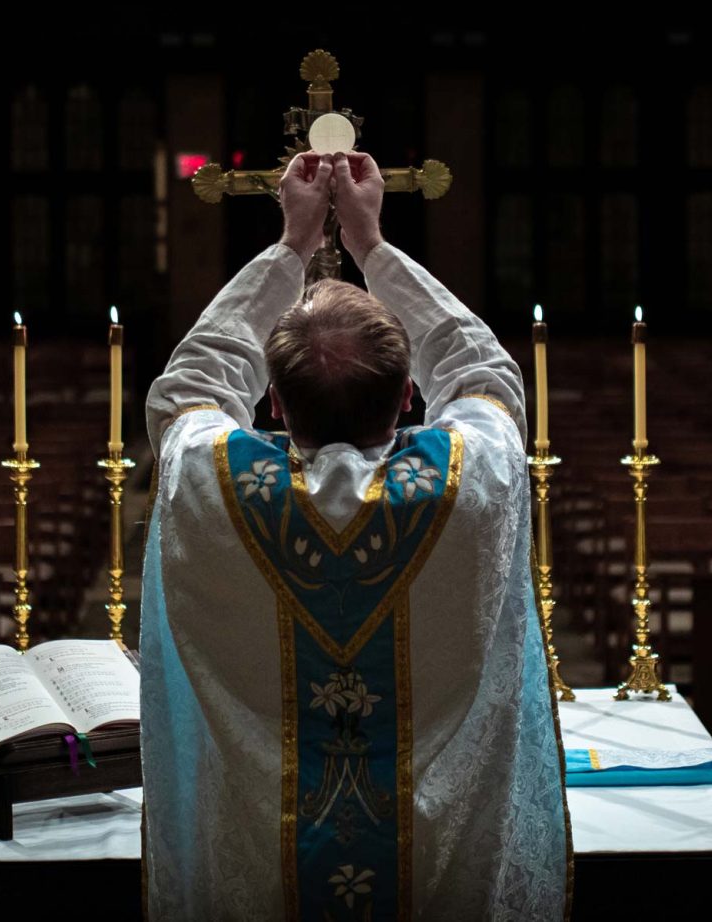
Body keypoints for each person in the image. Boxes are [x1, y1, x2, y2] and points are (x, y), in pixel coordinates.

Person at [139, 150, 569, 920]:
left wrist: (290, 246)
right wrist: (372, 247)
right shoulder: (473, 481)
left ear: (270, 403)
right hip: (436, 877)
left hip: (266, 879)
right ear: (410, 397)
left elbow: (192, 385)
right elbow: (484, 373)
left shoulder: (211, 483)